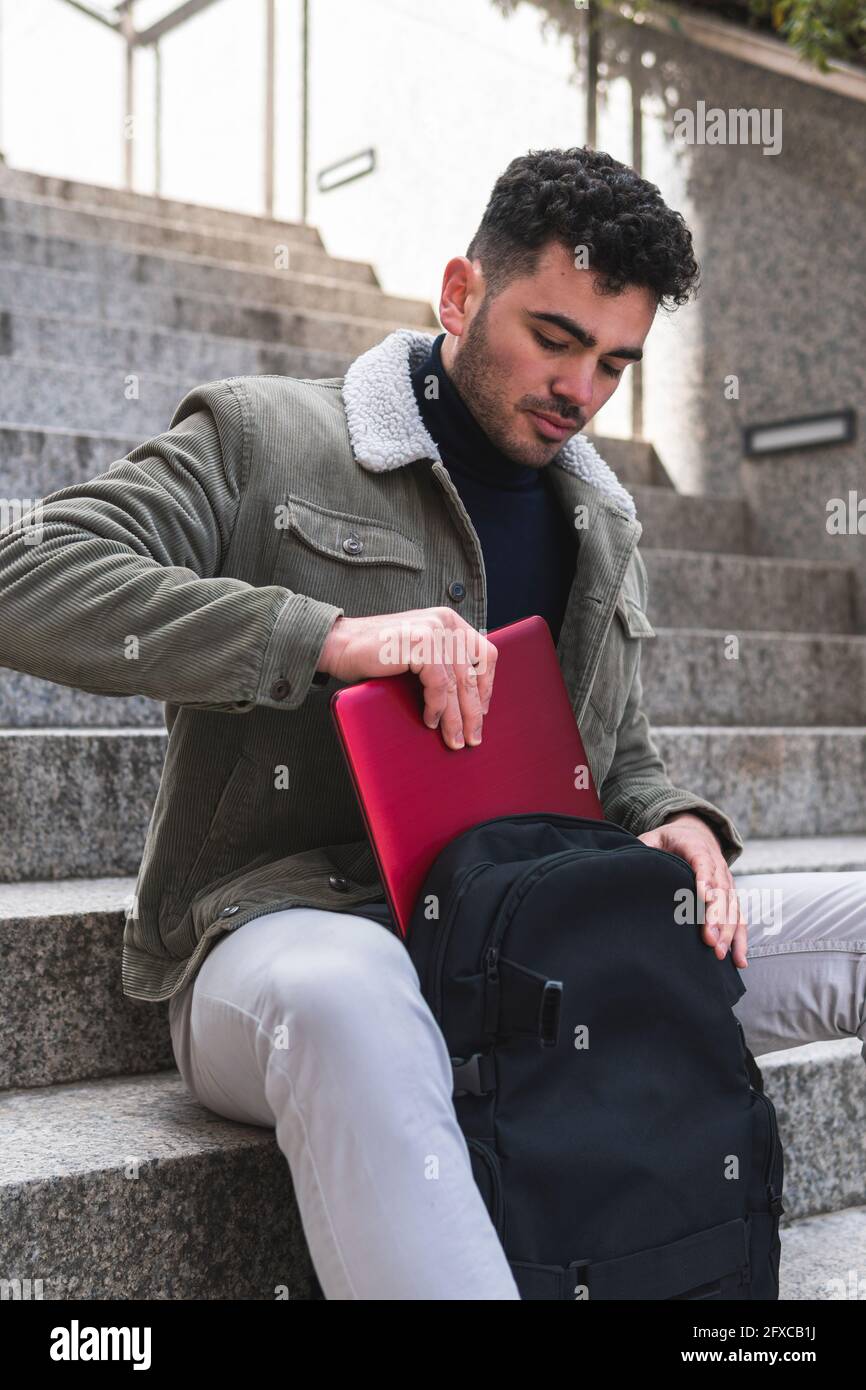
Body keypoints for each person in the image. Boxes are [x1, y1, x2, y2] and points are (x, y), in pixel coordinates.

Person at [0, 147, 863, 1300]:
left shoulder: (601, 524)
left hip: (537, 948)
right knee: (356, 993)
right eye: (552, 339)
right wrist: (329, 639)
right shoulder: (267, 438)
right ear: (459, 294)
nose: (581, 389)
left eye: (613, 361)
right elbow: (27, 574)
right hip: (287, 942)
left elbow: (622, 761)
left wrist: (676, 822)